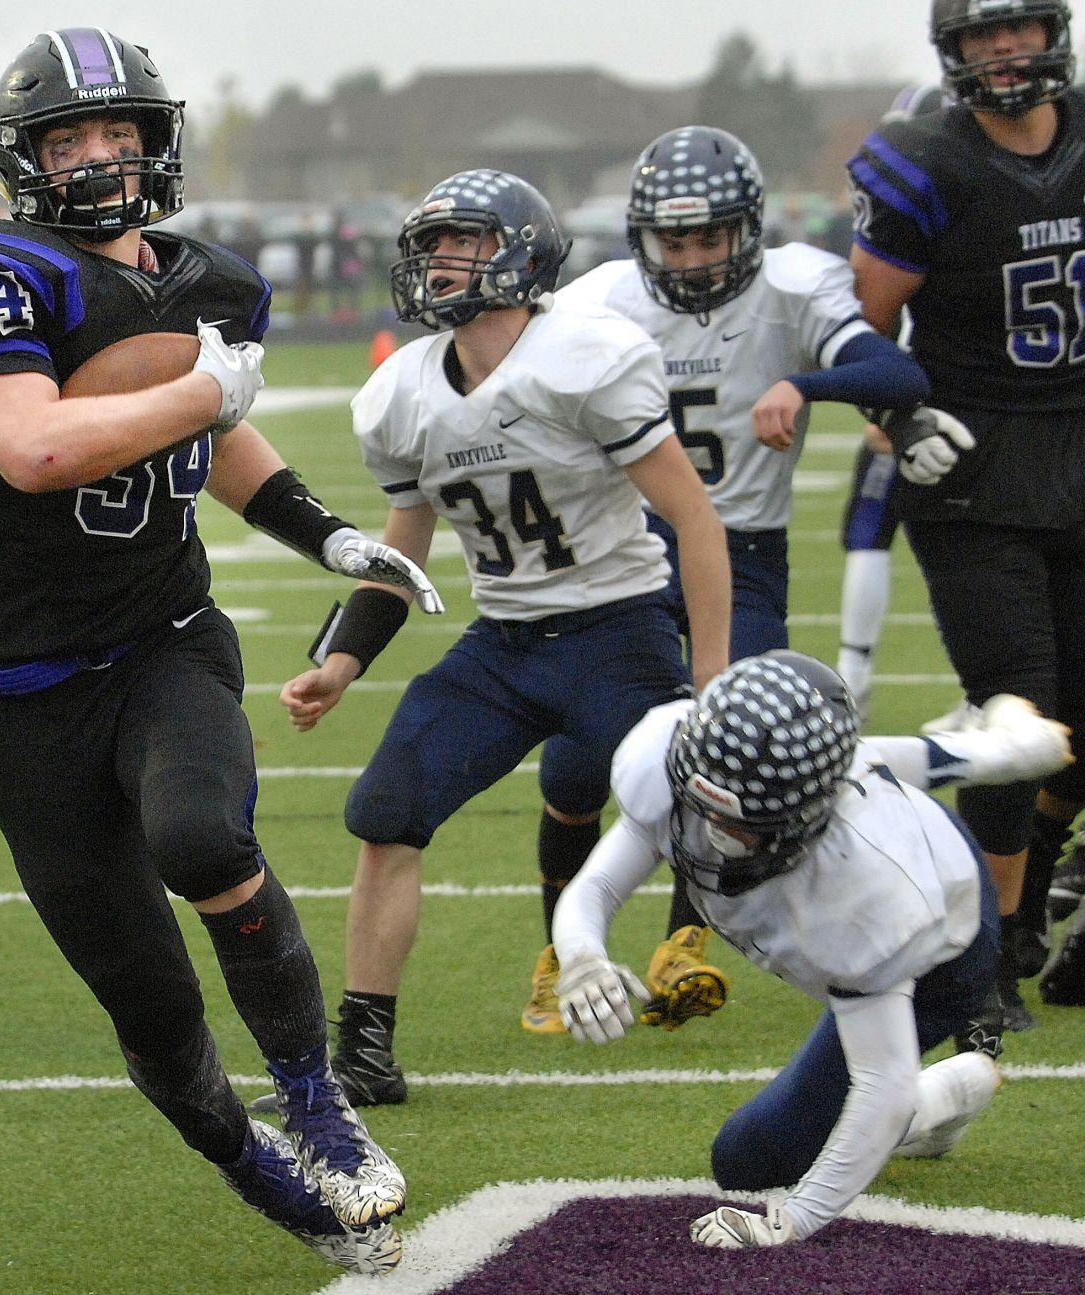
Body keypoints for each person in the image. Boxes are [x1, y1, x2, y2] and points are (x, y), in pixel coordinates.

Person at [0, 29, 445, 1276]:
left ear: (157, 142)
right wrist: (208, 391)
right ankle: (266, 1173)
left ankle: (316, 1098)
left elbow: (216, 443)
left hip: (164, 641)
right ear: (23, 160)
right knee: (149, 1008)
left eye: (119, 133)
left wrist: (329, 536)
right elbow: (34, 449)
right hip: (22, 692)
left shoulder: (214, 282)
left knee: (200, 838)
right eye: (69, 138)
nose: (98, 157)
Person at [277, 168, 732, 1106]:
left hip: (617, 632)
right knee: (386, 808)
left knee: (724, 813)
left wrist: (711, 677)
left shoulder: (587, 356)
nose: (438, 261)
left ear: (521, 253)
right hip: (505, 644)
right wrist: (340, 661)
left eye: (464, 241)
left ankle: (897, 974)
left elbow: (695, 519)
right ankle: (362, 1051)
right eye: (430, 244)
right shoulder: (401, 394)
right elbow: (401, 550)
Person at [552, 126, 929, 1027]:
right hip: (626, 554)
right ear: (641, 238)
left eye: (708, 238)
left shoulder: (794, 283)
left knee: (731, 752)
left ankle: (687, 939)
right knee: (573, 761)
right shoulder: (600, 298)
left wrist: (803, 384)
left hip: (743, 549)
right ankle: (560, 944)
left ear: (746, 231)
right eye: (671, 241)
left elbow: (895, 370)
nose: (688, 260)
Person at [551, 652, 1074, 1248]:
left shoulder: (867, 889)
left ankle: (948, 1094)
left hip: (945, 944)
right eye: (703, 807)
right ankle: (1014, 738)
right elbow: (596, 886)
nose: (717, 836)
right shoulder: (693, 768)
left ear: (812, 809)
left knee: (752, 1163)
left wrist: (794, 1217)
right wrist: (582, 955)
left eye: (745, 826)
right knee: (980, 753)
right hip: (854, 801)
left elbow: (884, 1082)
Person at [848, 0, 1085, 1028]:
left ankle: (1026, 911)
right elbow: (858, 324)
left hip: (1077, 439)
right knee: (1015, 713)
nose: (1002, 50)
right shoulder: (924, 161)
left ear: (1053, 35)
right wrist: (898, 415)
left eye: (1018, 29)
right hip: (973, 458)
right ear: (952, 53)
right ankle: (982, 957)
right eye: (981, 35)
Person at [835, 86, 950, 722]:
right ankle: (854, 668)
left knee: (875, 535)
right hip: (931, 405)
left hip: (926, 405)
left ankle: (855, 668)